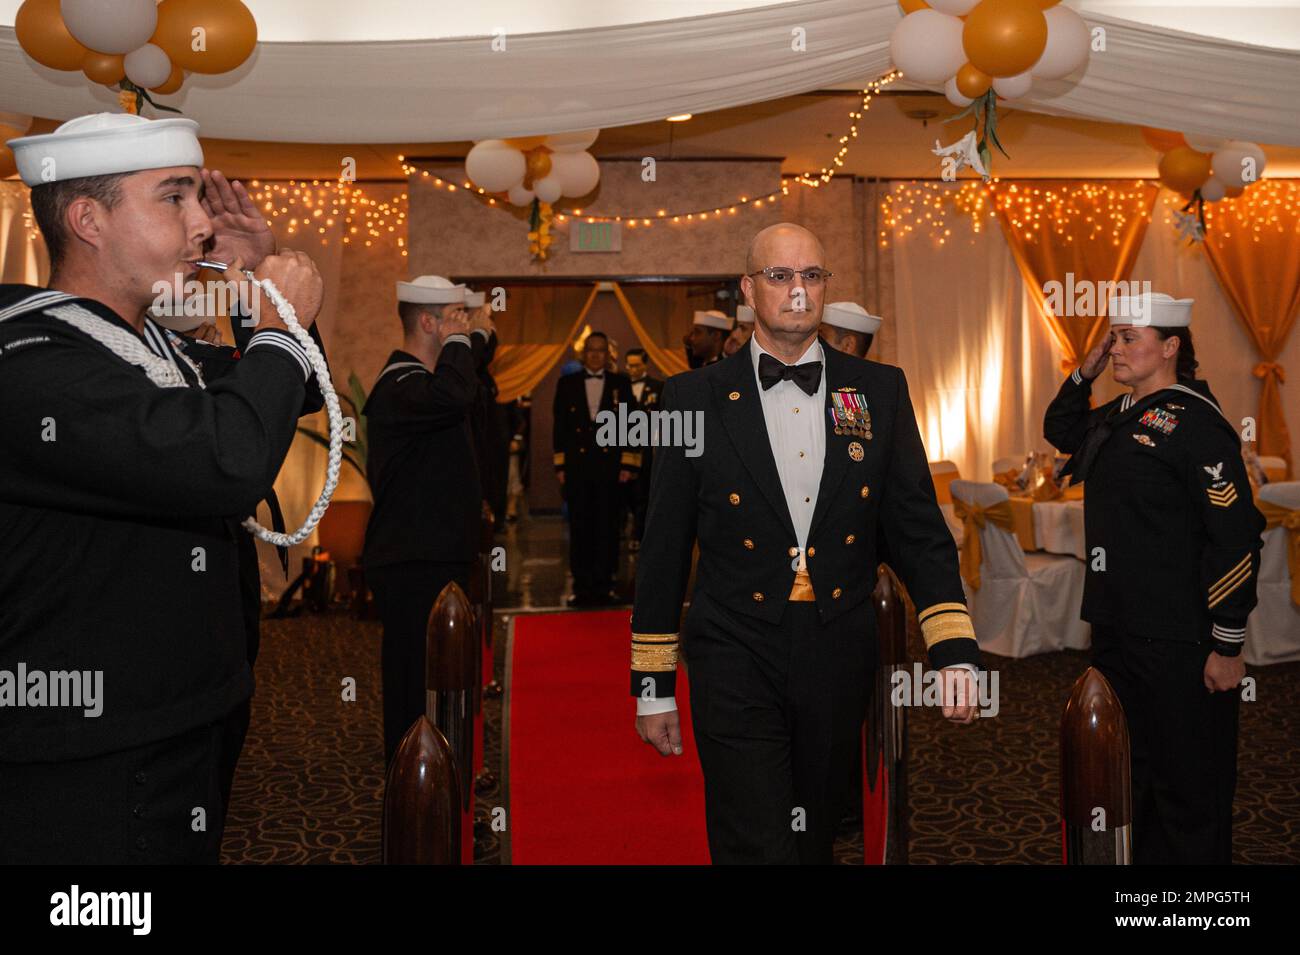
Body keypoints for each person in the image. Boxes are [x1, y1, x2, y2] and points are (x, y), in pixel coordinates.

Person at [0, 112, 324, 863]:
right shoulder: (31, 362)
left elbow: (284, 400)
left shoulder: (143, 345)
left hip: (182, 715)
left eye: (200, 201)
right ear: (88, 219)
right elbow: (226, 457)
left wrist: (256, 308)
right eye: (175, 199)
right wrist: (278, 327)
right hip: (87, 748)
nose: (204, 223)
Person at [631, 223, 980, 864]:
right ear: (748, 289)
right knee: (754, 839)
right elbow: (664, 547)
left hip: (837, 643)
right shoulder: (691, 397)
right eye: (780, 276)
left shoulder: (876, 390)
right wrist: (652, 685)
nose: (798, 291)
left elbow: (916, 529)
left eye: (812, 276)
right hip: (734, 642)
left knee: (812, 833)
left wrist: (953, 647)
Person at [1044, 291, 1265, 865]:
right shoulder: (1124, 413)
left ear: (1170, 347)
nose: (1116, 348)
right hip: (1119, 628)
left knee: (1188, 786)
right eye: (1114, 337)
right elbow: (1061, 428)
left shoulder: (1197, 422)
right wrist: (1084, 370)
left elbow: (1236, 535)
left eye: (1129, 338)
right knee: (1131, 776)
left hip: (1179, 637)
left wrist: (1228, 641)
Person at [362, 274, 494, 766]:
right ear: (428, 322)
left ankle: (440, 791)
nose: (461, 330)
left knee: (443, 683)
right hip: (410, 562)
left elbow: (470, 385)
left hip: (434, 556)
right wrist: (462, 337)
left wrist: (471, 333)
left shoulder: (429, 385)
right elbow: (455, 395)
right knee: (413, 694)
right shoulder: (400, 385)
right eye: (452, 321)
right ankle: (412, 812)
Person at [553, 331, 639, 606]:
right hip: (578, 467)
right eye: (590, 350)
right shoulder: (567, 383)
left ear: (608, 355)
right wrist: (560, 465)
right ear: (583, 353)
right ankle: (581, 586)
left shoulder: (620, 383)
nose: (595, 354)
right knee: (580, 528)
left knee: (608, 528)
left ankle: (606, 585)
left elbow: (632, 426)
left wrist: (628, 463)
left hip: (610, 468)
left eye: (601, 350)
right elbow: (560, 428)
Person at [625, 348, 663, 547]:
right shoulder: (620, 385)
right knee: (626, 493)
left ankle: (639, 534)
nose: (632, 370)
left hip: (648, 447)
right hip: (622, 445)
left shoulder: (657, 387)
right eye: (629, 366)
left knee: (644, 492)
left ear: (645, 365)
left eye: (636, 365)